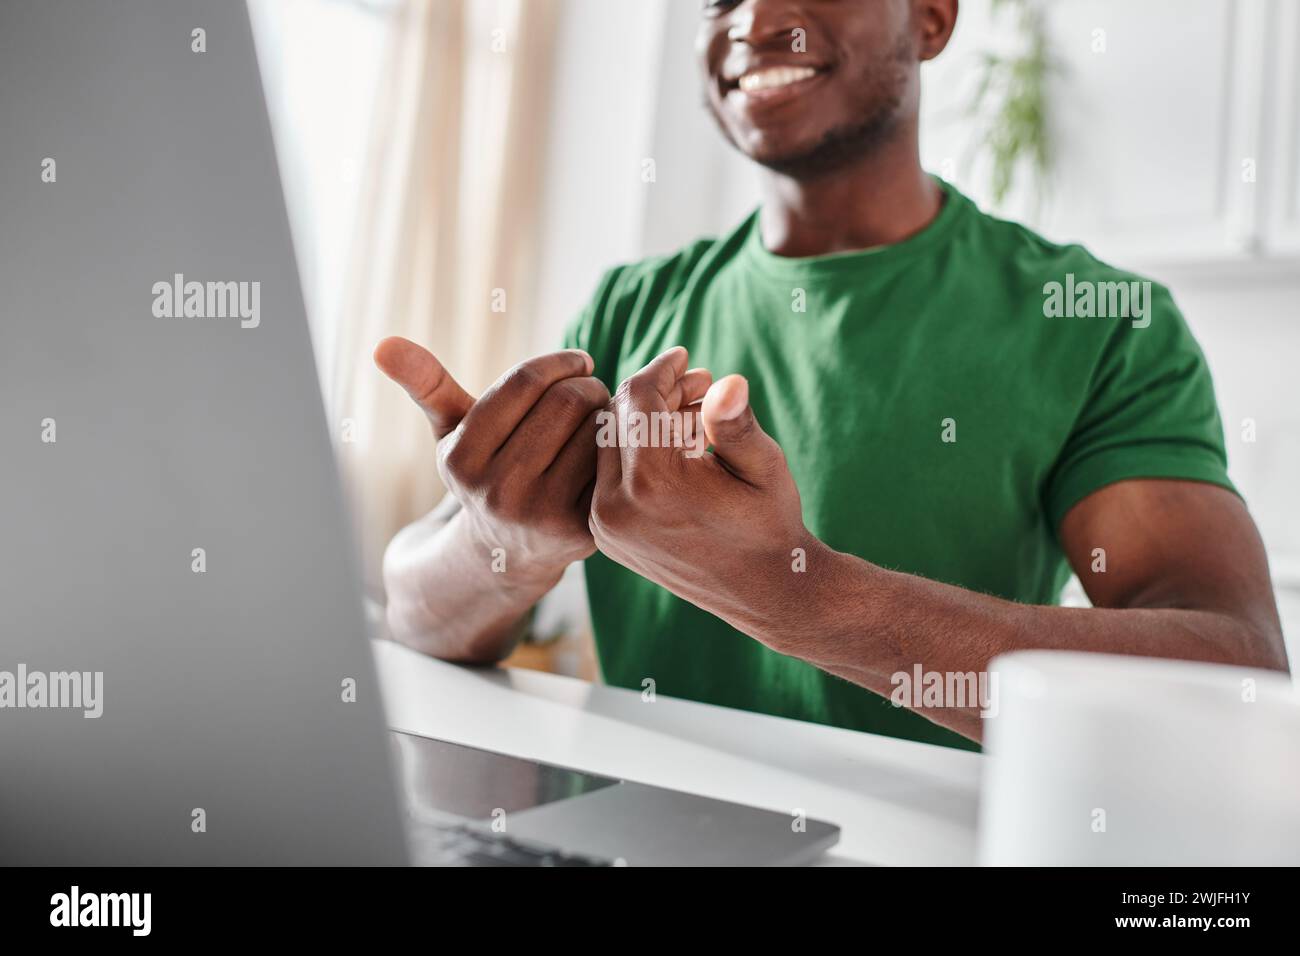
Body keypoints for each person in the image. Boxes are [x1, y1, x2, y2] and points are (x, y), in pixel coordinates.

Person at [373, 0, 1288, 750]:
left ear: (930, 19)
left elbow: (1233, 678)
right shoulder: (629, 308)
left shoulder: (1096, 321)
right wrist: (505, 545)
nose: (756, 18)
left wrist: (795, 592)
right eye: (716, 0)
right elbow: (415, 610)